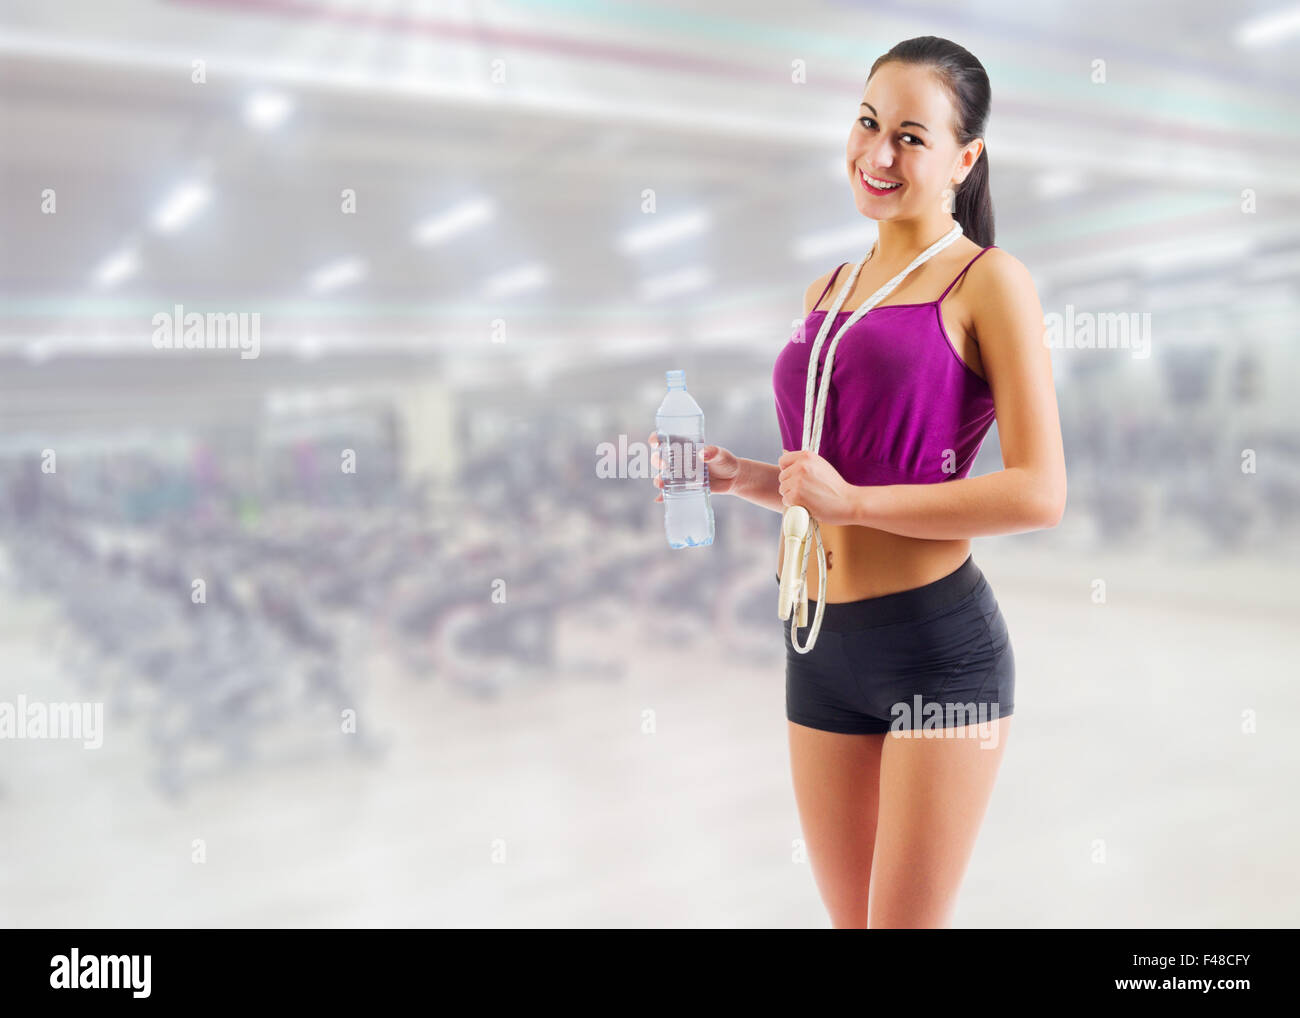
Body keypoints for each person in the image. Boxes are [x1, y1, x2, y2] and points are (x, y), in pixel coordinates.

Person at [649, 36, 1066, 929]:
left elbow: (1039, 491)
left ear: (965, 158)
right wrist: (744, 476)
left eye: (911, 137)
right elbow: (826, 481)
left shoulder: (989, 282)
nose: (877, 154)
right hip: (817, 641)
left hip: (936, 650)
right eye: (868, 123)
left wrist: (855, 503)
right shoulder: (827, 291)